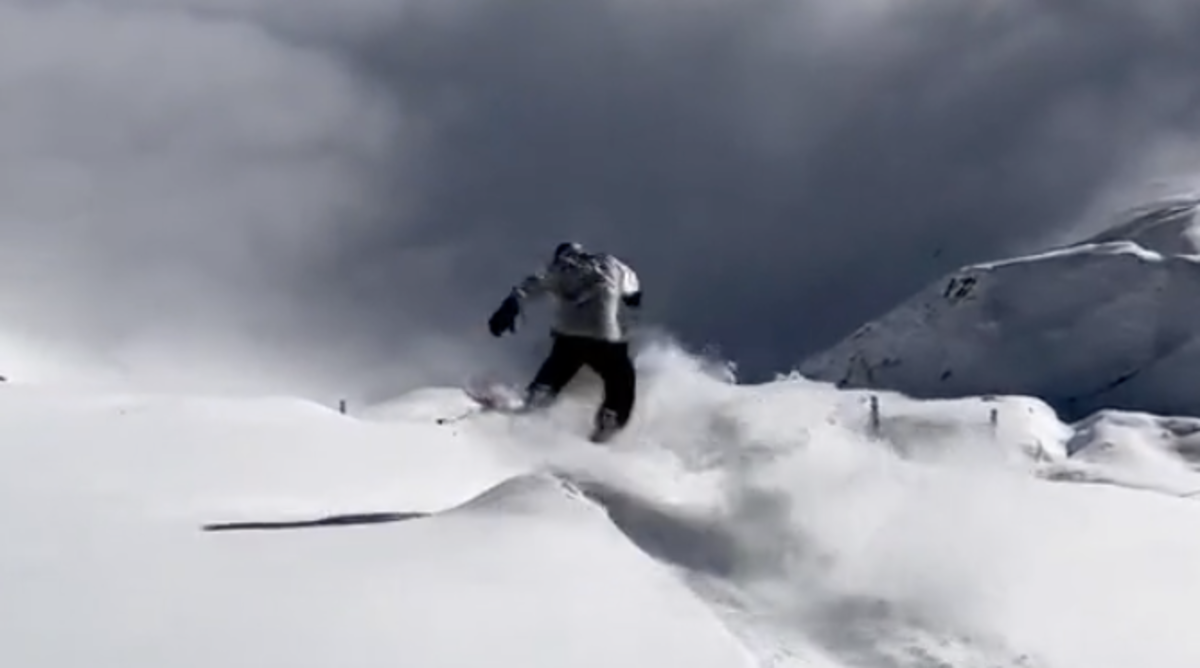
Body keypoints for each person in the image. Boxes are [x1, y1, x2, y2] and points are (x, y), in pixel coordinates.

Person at [487, 241, 643, 442]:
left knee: (559, 364)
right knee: (621, 379)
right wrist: (631, 297)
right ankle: (609, 421)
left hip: (569, 335)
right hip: (605, 335)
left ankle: (536, 398)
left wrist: (511, 304)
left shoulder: (560, 268)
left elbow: (533, 284)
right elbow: (633, 290)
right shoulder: (613, 263)